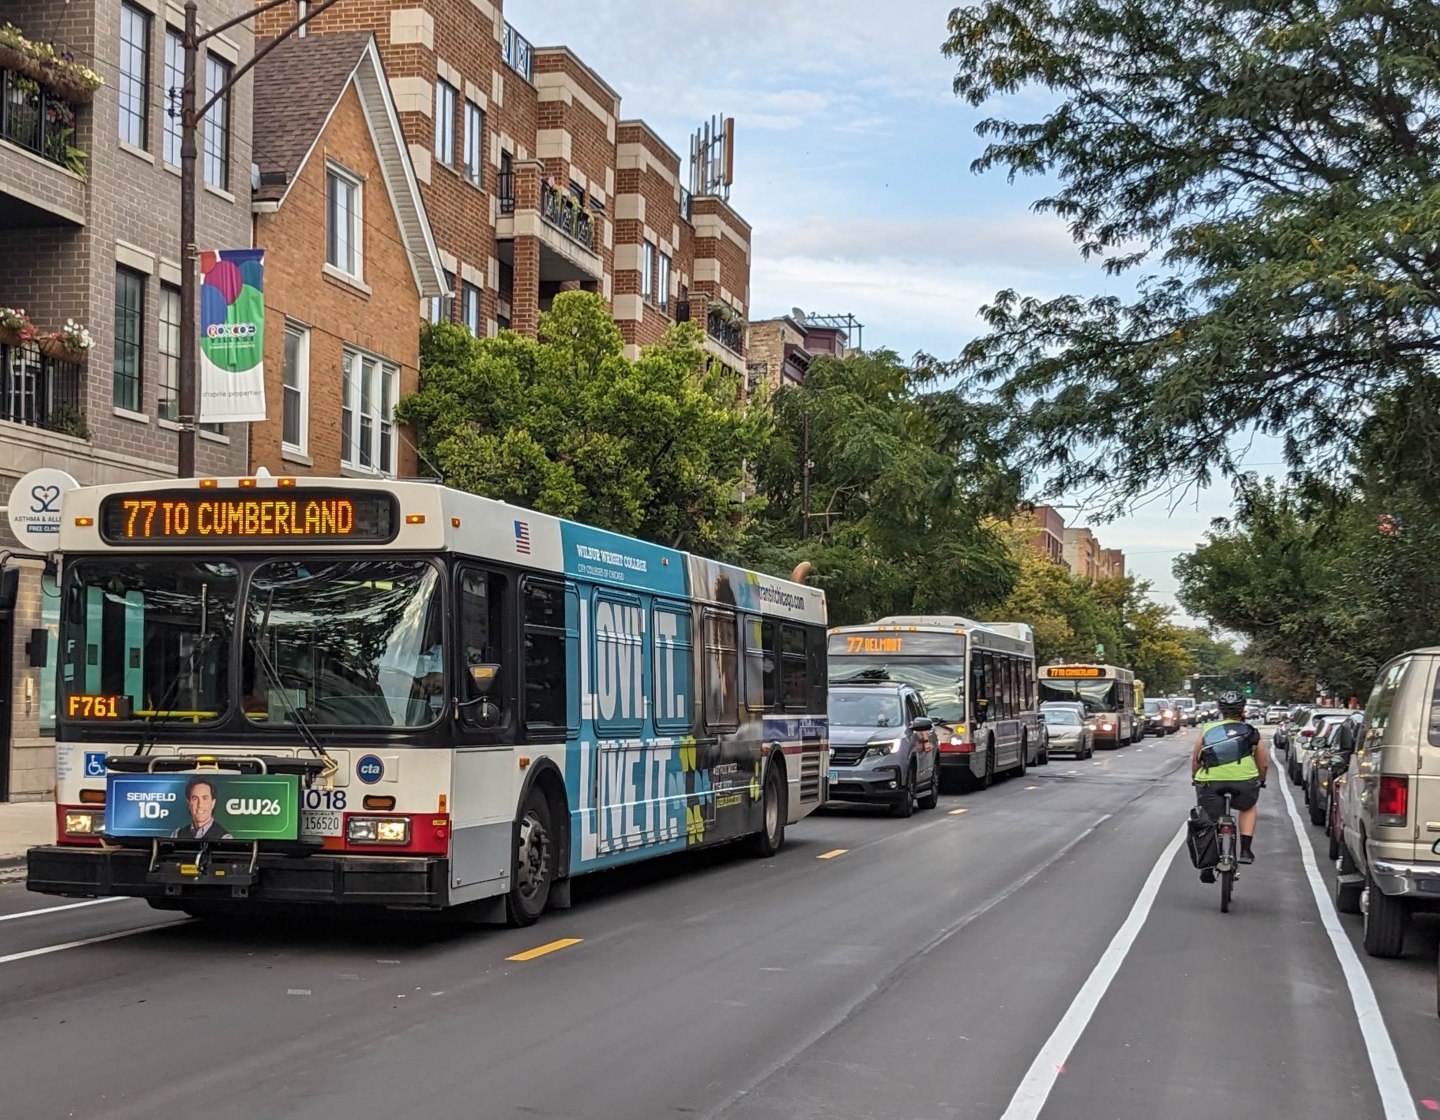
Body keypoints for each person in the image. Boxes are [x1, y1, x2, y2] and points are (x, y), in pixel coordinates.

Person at [1192, 690, 1268, 882]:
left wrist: (1195, 777)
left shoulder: (1208, 728)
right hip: (1244, 782)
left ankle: (1208, 865)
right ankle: (1245, 850)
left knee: (1209, 819)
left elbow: (1196, 759)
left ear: (1220, 710)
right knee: (1248, 807)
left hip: (1210, 782)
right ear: (1242, 710)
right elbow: (1263, 763)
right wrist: (1261, 779)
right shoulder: (1251, 731)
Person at [171, 776, 233, 840]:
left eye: (205, 798)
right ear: (188, 803)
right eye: (195, 799)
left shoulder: (224, 838)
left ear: (213, 803)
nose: (200, 805)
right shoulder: (177, 835)